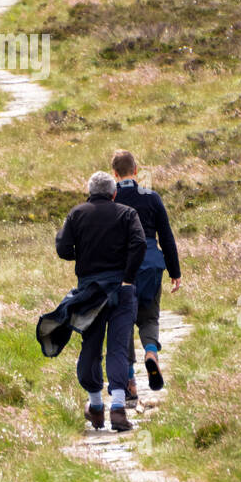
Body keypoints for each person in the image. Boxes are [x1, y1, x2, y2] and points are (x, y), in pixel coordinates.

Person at [54, 171, 146, 432]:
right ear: (114, 193)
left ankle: (96, 406)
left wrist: (81, 255)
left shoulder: (76, 214)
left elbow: (62, 249)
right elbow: (139, 244)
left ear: (90, 191)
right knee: (118, 347)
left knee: (91, 346)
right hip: (122, 290)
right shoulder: (127, 213)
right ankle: (117, 409)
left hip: (90, 292)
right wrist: (128, 277)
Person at [110, 150, 181, 398]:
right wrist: (175, 271)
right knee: (150, 316)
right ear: (136, 170)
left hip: (122, 269)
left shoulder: (111, 199)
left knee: (124, 321)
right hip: (151, 264)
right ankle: (151, 352)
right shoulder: (151, 197)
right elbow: (167, 237)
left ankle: (130, 381)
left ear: (114, 174)